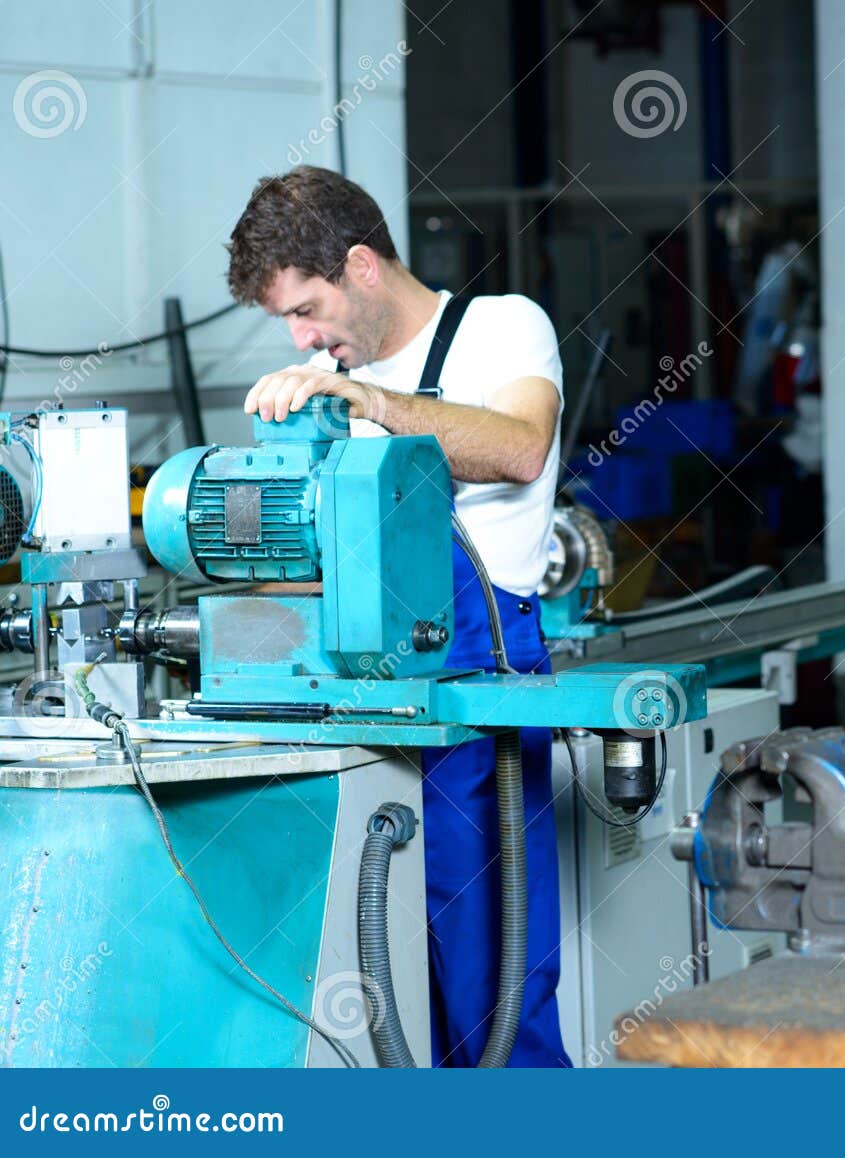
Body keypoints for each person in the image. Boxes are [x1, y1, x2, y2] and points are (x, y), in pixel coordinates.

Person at [226, 165, 569, 1065]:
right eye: (287, 324)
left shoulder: (500, 328)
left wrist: (373, 405)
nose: (302, 337)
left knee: (489, 979)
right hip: (353, 699)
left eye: (307, 308)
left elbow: (523, 448)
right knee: (366, 968)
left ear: (361, 265)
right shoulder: (319, 381)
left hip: (476, 681)